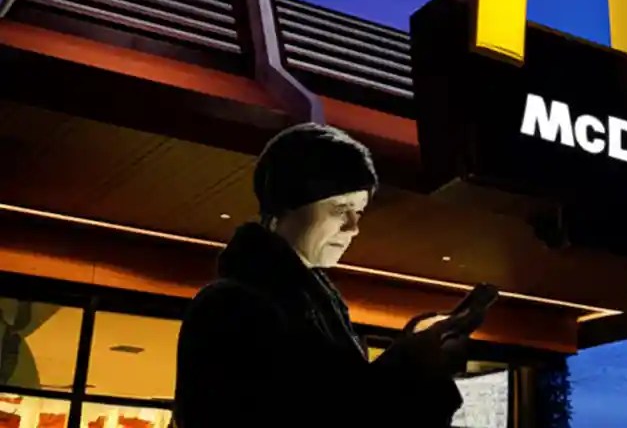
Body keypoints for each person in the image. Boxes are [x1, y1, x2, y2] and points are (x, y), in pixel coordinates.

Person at [175, 123, 472, 428]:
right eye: (339, 208)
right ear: (287, 202)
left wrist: (414, 363)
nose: (353, 227)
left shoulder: (311, 306)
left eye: (360, 210)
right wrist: (412, 367)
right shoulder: (232, 307)